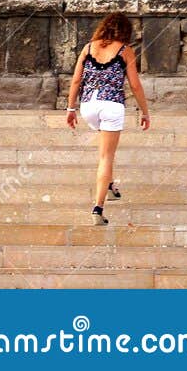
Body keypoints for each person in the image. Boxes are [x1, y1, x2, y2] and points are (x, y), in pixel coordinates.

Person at [64, 13, 150, 225]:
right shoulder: (124, 50)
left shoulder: (88, 48)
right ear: (125, 31)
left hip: (88, 107)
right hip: (111, 106)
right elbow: (135, 85)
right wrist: (145, 112)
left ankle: (110, 186)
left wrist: (70, 108)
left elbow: (76, 80)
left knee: (105, 150)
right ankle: (97, 208)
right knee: (106, 158)